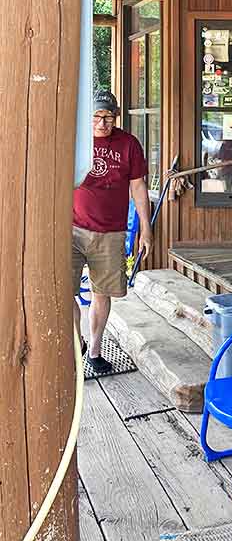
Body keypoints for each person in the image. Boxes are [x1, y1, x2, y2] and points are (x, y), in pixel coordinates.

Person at [72, 90, 152, 373]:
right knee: (64, 291)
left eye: (108, 117)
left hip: (111, 232)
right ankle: (77, 344)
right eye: (97, 116)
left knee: (102, 292)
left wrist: (145, 229)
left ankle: (94, 351)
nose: (102, 123)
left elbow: (138, 187)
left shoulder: (128, 144)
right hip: (71, 228)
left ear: (116, 117)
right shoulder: (76, 138)